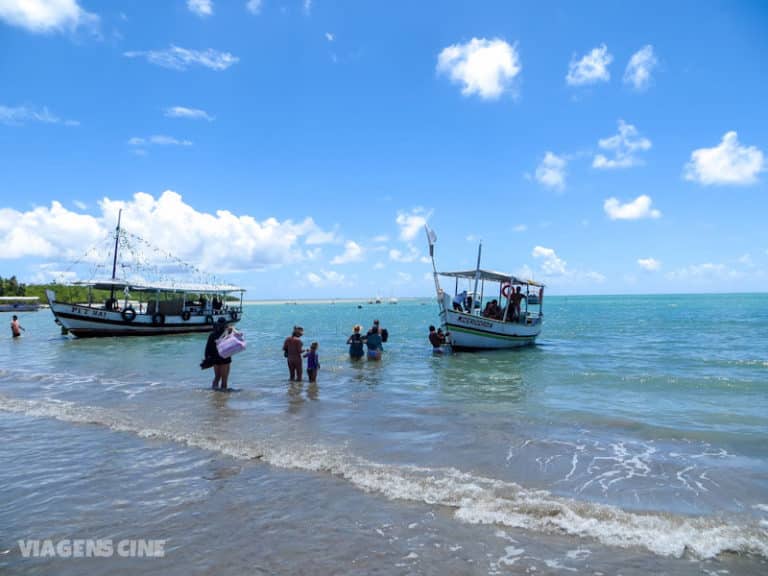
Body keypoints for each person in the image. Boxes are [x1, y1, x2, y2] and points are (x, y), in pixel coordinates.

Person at [204, 317, 232, 390]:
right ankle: (223, 396)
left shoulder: (212, 335)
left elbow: (207, 348)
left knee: (217, 377)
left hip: (215, 359)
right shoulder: (227, 334)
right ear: (225, 325)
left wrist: (207, 358)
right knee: (224, 379)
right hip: (225, 359)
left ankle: (214, 392)